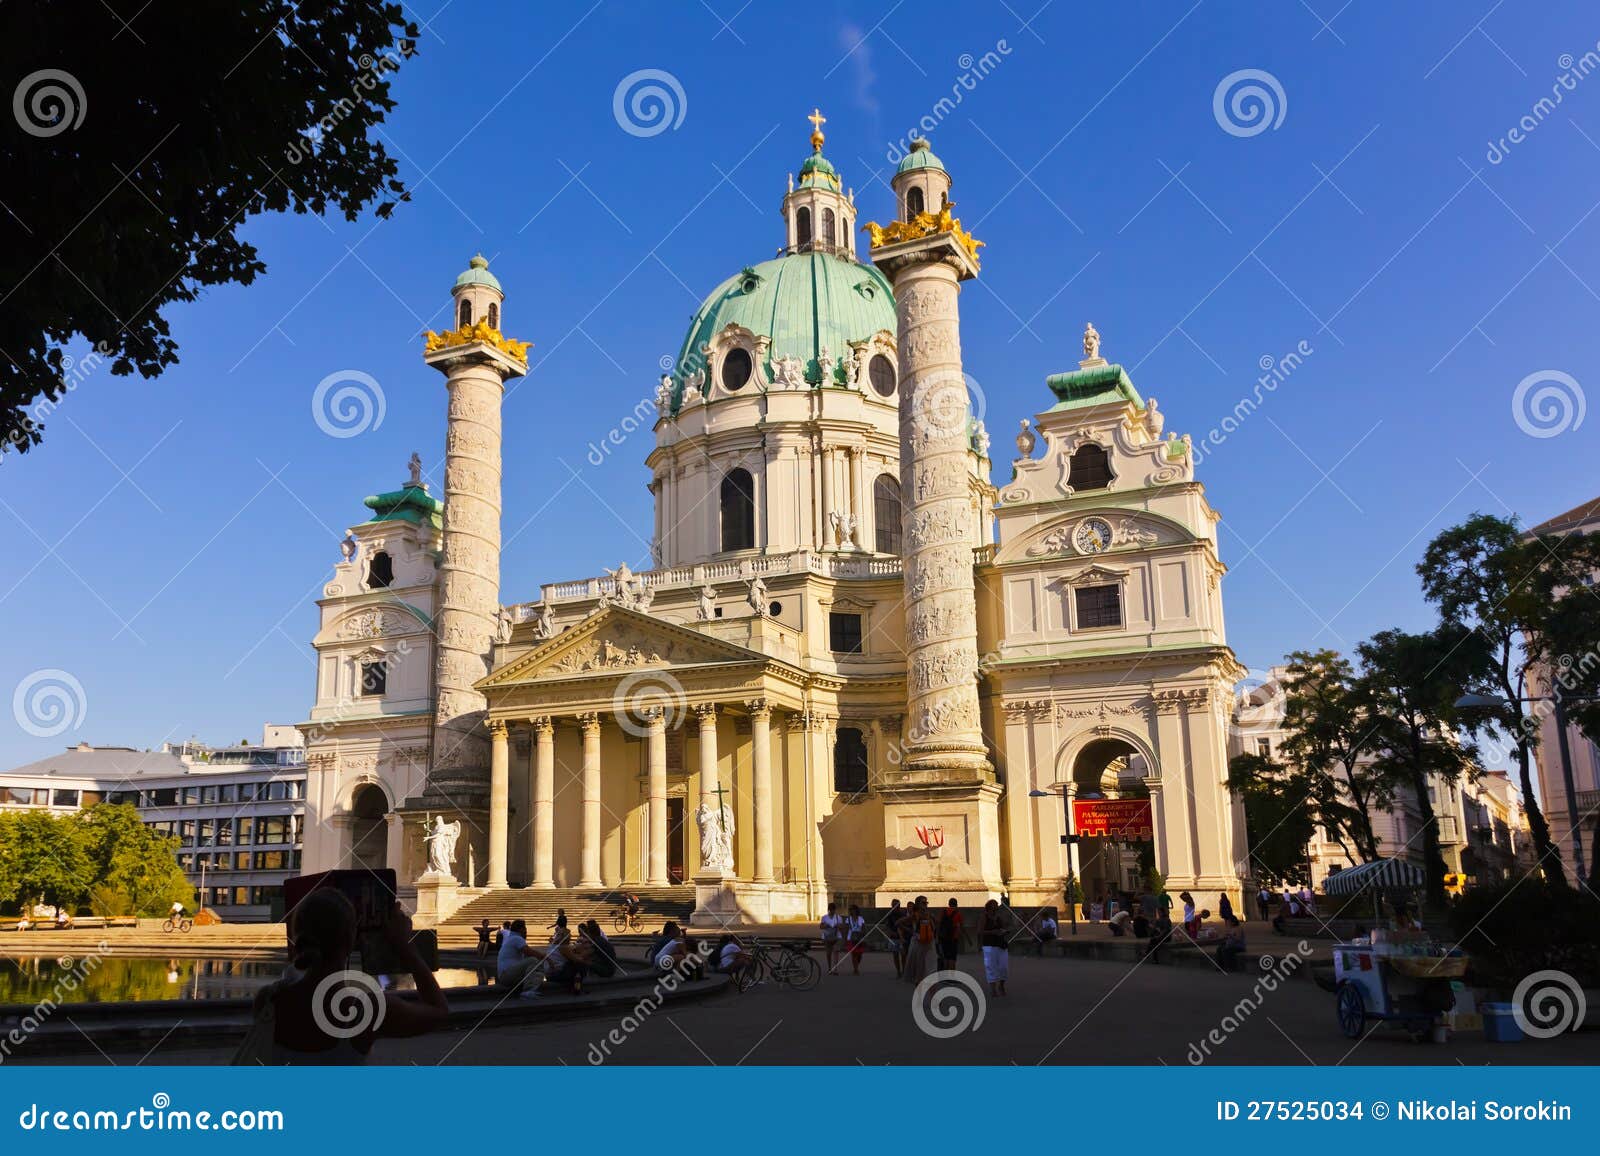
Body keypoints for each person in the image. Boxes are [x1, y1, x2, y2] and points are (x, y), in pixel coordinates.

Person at [234, 890, 447, 1064]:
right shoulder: (366, 1010)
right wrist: (405, 947)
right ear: (351, 938)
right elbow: (438, 1011)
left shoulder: (267, 1001)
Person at [497, 918, 548, 999]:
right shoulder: (517, 938)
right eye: (525, 929)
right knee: (533, 960)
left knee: (535, 964)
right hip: (506, 976)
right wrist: (547, 958)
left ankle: (531, 989)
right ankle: (528, 991)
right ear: (521, 929)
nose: (526, 932)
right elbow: (530, 952)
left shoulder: (511, 938)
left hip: (505, 975)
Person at [980, 900, 1009, 997]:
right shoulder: (984, 918)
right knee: (991, 967)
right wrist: (992, 932)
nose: (996, 908)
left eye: (996, 906)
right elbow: (980, 932)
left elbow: (1004, 927)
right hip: (989, 945)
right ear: (989, 908)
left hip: (1001, 944)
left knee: (1003, 967)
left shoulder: (999, 917)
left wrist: (1003, 931)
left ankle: (1001, 985)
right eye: (994, 906)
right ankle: (993, 989)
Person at [903, 897, 934, 984]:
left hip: (928, 943)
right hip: (918, 943)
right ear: (918, 905)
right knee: (919, 967)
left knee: (929, 966)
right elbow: (899, 923)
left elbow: (934, 927)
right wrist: (912, 932)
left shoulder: (928, 915)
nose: (925, 904)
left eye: (926, 903)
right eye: (923, 903)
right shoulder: (915, 915)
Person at [937, 898, 963, 969]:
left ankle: (945, 973)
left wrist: (938, 935)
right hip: (954, 938)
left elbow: (939, 924)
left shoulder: (943, 911)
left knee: (945, 956)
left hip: (944, 937)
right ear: (956, 904)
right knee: (952, 957)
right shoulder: (958, 913)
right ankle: (951, 975)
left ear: (949, 904)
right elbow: (961, 927)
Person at [843, 904, 868, 975]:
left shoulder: (861, 918)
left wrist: (864, 935)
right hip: (851, 938)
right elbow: (846, 929)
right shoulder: (848, 919)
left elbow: (863, 928)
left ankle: (856, 965)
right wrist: (845, 939)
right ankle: (856, 969)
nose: (852, 911)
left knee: (859, 954)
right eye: (851, 910)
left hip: (860, 937)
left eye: (853, 909)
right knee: (854, 954)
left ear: (856, 910)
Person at [819, 903, 843, 973]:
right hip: (827, 937)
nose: (832, 911)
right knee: (828, 953)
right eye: (830, 910)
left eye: (833, 910)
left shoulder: (838, 917)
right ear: (828, 910)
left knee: (836, 952)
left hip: (837, 936)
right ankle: (829, 967)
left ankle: (835, 968)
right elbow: (821, 927)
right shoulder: (824, 917)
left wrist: (837, 926)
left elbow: (841, 927)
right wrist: (826, 926)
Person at [884, 899, 905, 977]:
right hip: (894, 937)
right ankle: (899, 971)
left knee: (903, 955)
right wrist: (891, 933)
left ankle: (903, 971)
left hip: (902, 937)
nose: (895, 906)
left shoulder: (903, 914)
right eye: (894, 905)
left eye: (896, 905)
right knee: (895, 955)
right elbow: (887, 926)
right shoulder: (890, 915)